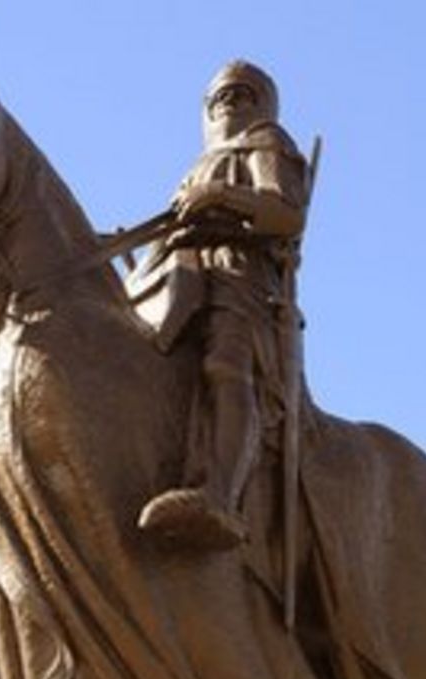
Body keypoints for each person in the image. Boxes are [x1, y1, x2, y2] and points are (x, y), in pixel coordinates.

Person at [128, 60, 309, 549]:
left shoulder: (266, 142)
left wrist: (222, 195)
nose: (230, 101)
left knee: (227, 366)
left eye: (242, 93)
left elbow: (286, 214)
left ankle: (221, 497)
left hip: (238, 277)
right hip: (181, 277)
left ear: (262, 102)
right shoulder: (196, 168)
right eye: (221, 95)